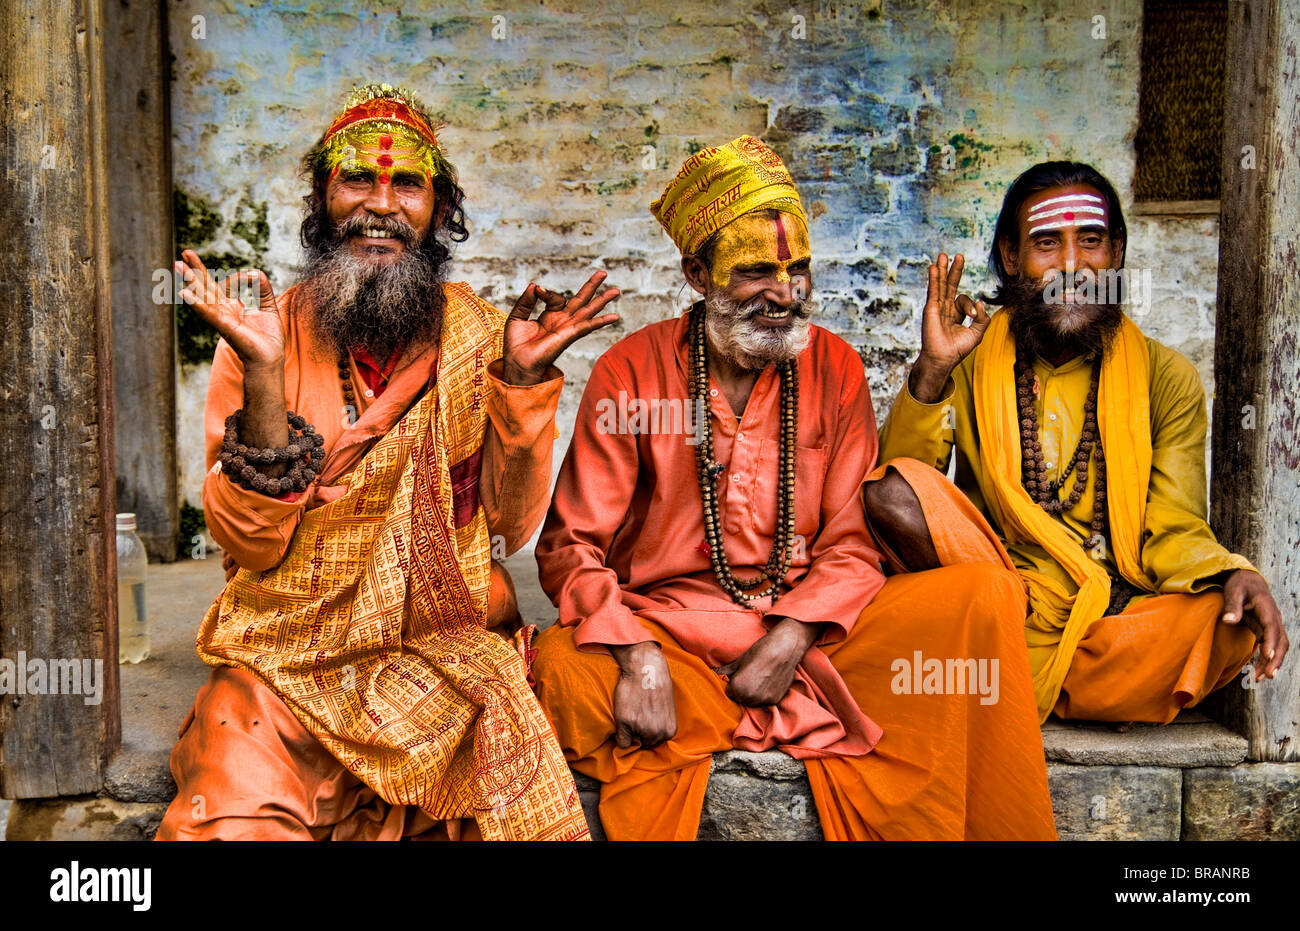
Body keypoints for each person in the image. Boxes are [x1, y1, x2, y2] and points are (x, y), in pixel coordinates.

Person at [530, 136, 1056, 840]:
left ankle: (766, 705)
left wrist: (790, 636)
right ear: (697, 273)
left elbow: (850, 541)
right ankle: (767, 710)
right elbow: (570, 547)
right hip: (674, 636)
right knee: (563, 676)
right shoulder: (630, 372)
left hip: (820, 638)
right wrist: (636, 654)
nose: (786, 293)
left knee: (984, 596)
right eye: (756, 271)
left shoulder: (832, 366)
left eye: (798, 269)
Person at [156, 84, 618, 840]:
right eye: (356, 180)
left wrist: (524, 384)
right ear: (322, 198)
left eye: (407, 182)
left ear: (438, 208)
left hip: (432, 654)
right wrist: (265, 378)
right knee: (232, 799)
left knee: (496, 763)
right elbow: (250, 545)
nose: (381, 204)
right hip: (286, 662)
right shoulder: (263, 335)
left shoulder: (480, 337)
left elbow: (508, 527)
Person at [869, 160, 1288, 725]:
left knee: (1222, 622)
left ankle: (1007, 675)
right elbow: (901, 489)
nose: (1072, 266)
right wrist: (933, 370)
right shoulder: (969, 364)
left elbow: (1174, 527)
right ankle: (1071, 682)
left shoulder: (1166, 378)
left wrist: (1232, 571)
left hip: (1114, 604)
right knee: (891, 499)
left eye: (1089, 241)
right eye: (1046, 243)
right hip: (1003, 592)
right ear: (1012, 257)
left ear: (1114, 253)